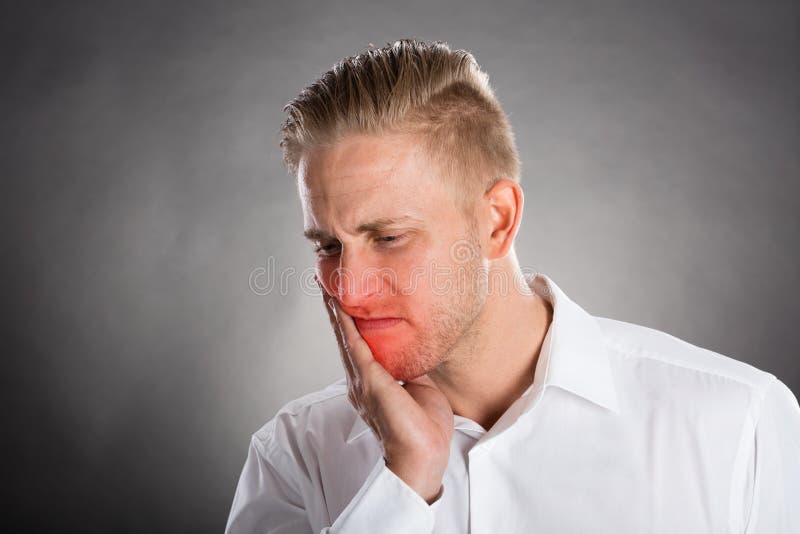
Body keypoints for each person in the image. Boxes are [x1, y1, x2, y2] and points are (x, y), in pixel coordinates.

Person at [225, 39, 799, 533]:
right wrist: (402, 483)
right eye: (328, 246)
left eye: (390, 237)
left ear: (496, 220)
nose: (348, 289)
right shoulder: (295, 454)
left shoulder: (737, 425)